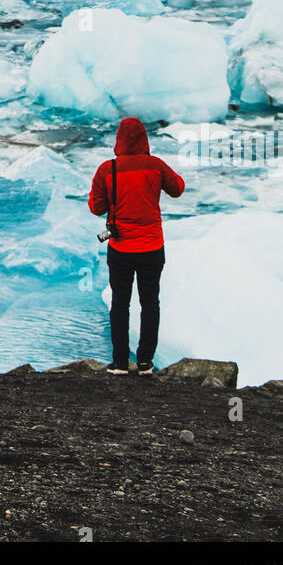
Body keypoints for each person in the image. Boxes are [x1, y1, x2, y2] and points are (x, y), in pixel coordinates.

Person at [88, 116, 185, 375]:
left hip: (120, 248)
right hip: (152, 247)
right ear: (144, 138)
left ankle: (120, 363)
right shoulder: (155, 166)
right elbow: (177, 189)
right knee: (150, 303)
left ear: (118, 139)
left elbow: (96, 208)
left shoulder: (107, 170)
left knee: (120, 304)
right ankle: (144, 363)